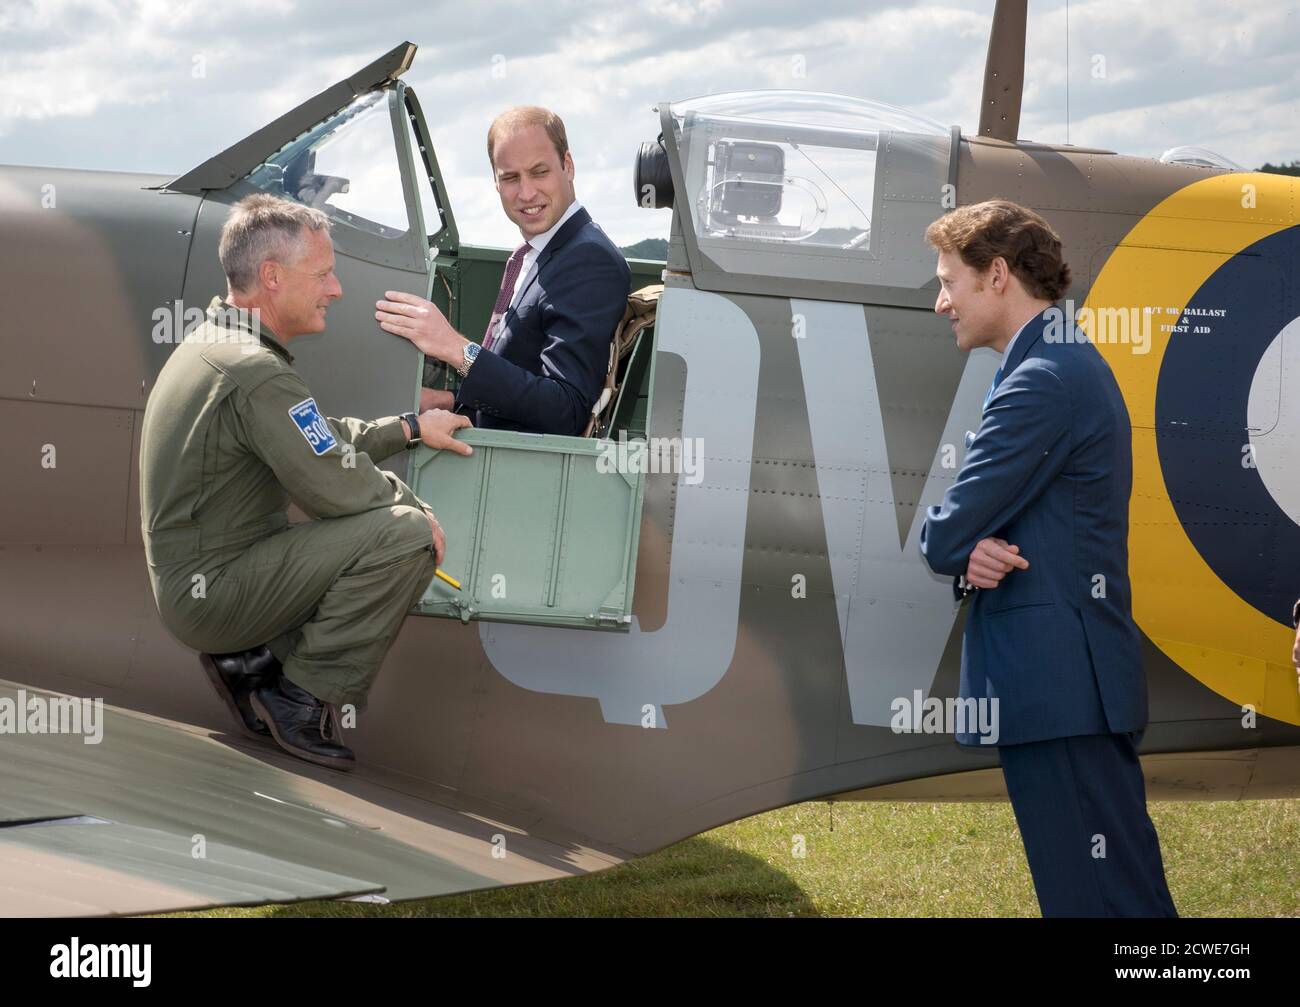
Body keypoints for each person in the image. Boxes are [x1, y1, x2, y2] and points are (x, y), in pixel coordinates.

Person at [139, 194, 471, 771]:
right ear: (271, 277)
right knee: (405, 537)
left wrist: (412, 427)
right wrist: (420, 515)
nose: (336, 288)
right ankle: (297, 697)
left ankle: (250, 662)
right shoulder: (253, 372)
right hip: (215, 594)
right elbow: (335, 487)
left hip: (207, 581)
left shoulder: (220, 348)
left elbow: (318, 439)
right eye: (322, 273)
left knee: (394, 530)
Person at [919, 199, 1178, 917]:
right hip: (1069, 690)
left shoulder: (1044, 379)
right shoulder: (1054, 360)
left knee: (1105, 905)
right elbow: (976, 532)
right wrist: (972, 547)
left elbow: (941, 534)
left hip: (1059, 693)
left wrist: (960, 543)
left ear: (997, 273)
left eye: (950, 282)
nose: (941, 302)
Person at [375, 105, 631, 436]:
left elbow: (565, 411)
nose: (526, 193)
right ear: (496, 182)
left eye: (539, 172)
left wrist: (456, 349)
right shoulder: (543, 251)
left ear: (567, 166)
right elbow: (527, 382)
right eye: (510, 177)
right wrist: (449, 401)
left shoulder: (587, 258)